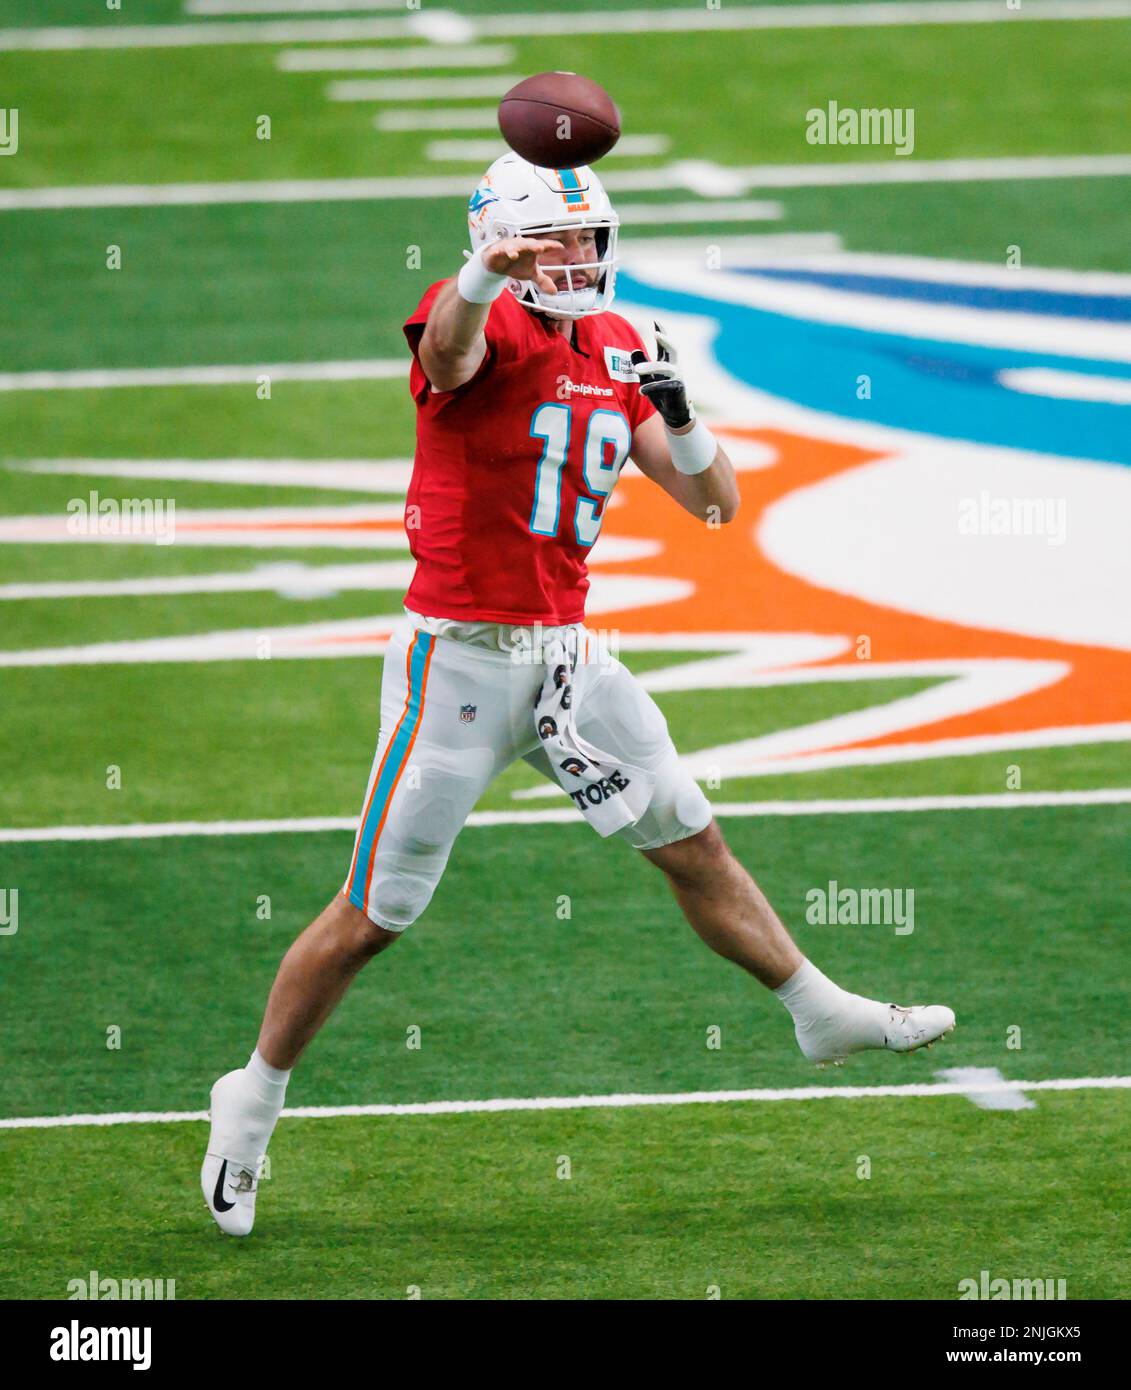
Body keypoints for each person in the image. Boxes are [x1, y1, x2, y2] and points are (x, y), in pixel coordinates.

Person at [202, 155, 954, 1236]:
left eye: (593, 237)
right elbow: (452, 360)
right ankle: (254, 1097)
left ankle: (817, 1009)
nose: (583, 257)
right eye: (561, 241)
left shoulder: (611, 342)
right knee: (373, 916)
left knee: (691, 839)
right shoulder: (478, 317)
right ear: (507, 241)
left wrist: (681, 411)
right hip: (454, 662)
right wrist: (478, 275)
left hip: (568, 658)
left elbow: (716, 503)